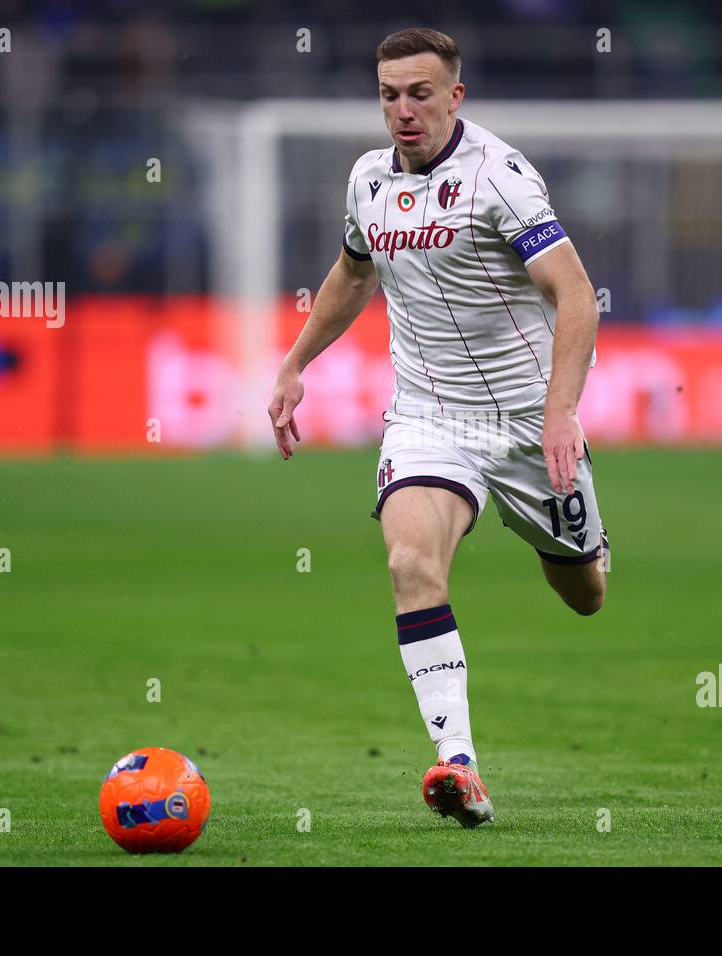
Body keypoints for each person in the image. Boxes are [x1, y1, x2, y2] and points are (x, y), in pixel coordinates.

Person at [268, 27, 609, 826]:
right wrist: (294, 365)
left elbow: (577, 295)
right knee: (409, 561)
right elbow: (354, 273)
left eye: (420, 94)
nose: (403, 111)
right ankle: (459, 764)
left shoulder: (501, 177)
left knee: (585, 593)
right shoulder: (367, 181)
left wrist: (560, 414)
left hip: (527, 423)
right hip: (427, 415)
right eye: (389, 95)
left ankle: (564, 537)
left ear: (455, 96)